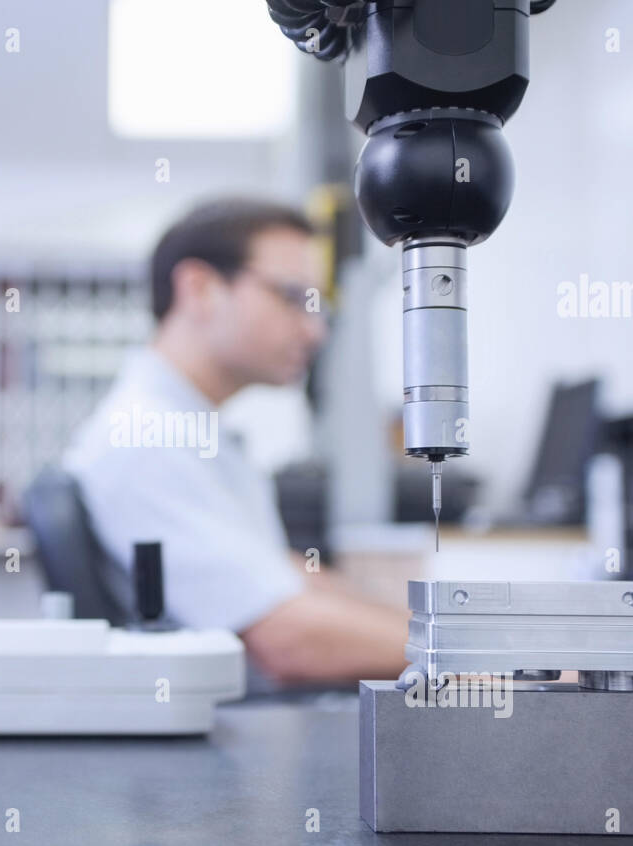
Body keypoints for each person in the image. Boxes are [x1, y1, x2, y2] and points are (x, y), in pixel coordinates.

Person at [63, 197, 409, 684]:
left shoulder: (191, 430)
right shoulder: (145, 440)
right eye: (293, 298)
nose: (313, 332)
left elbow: (285, 580)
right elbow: (289, 639)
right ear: (200, 289)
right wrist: (479, 663)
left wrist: (452, 639)